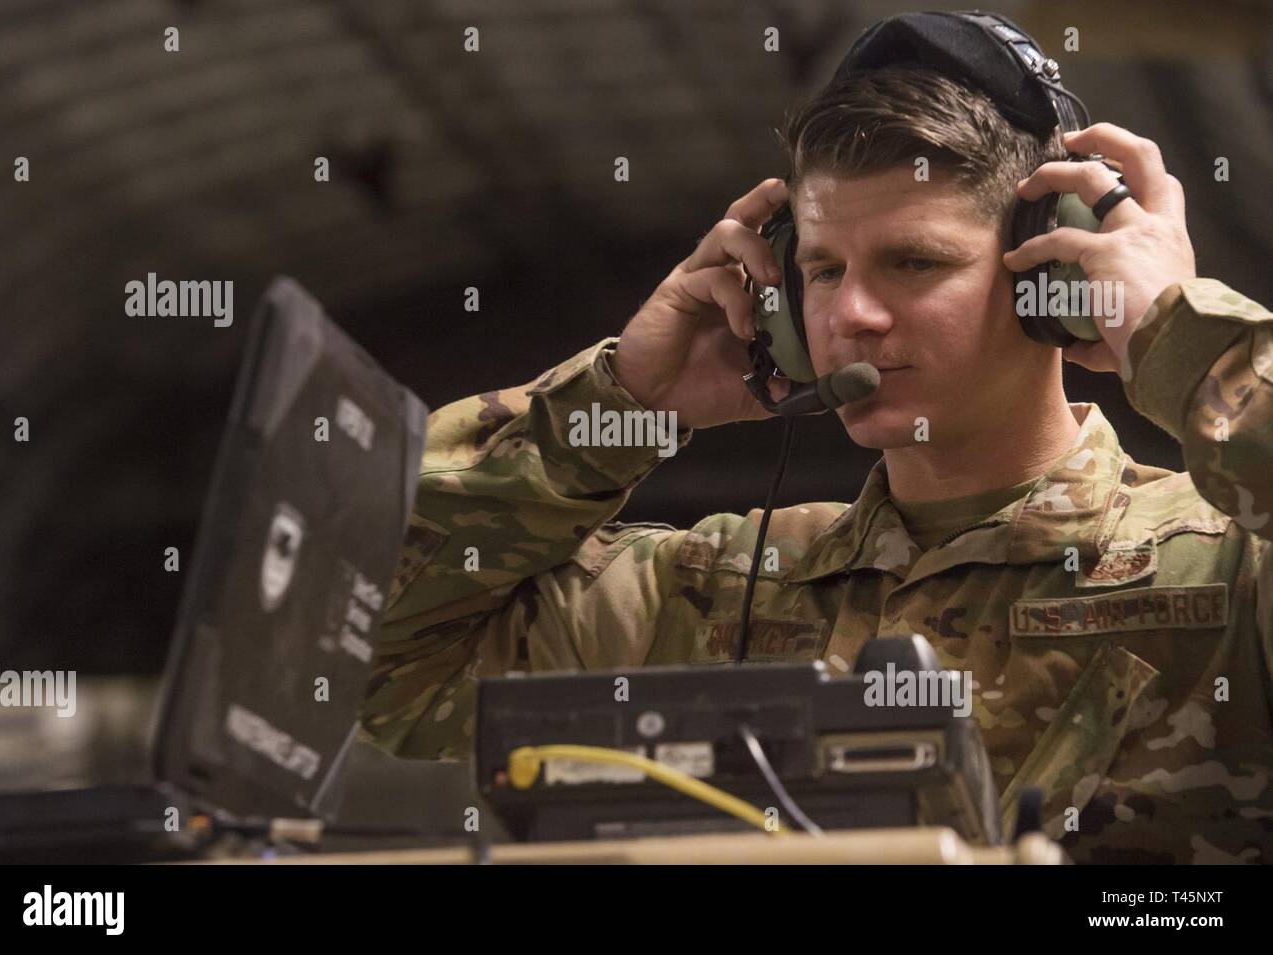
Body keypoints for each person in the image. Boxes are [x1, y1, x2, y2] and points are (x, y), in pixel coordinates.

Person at [358, 30, 1273, 865]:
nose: (851, 316)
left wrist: (1174, 329)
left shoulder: (1225, 576)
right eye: (822, 272)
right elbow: (371, 646)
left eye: (915, 262)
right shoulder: (705, 592)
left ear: (1058, 275)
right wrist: (620, 406)